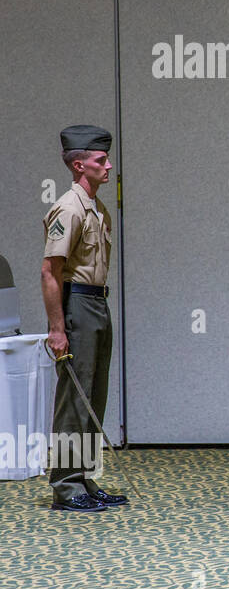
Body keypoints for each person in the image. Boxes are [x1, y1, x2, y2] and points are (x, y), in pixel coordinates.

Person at [41, 124, 126, 512]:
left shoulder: (96, 207)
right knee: (74, 397)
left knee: (94, 395)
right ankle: (65, 484)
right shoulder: (69, 208)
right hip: (77, 305)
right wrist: (57, 329)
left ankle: (85, 478)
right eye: (100, 160)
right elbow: (50, 270)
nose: (109, 165)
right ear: (79, 165)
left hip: (97, 304)